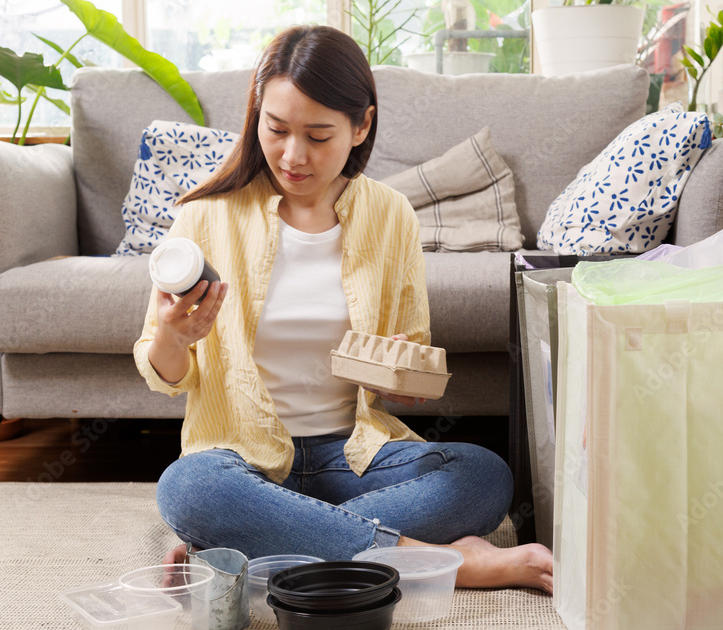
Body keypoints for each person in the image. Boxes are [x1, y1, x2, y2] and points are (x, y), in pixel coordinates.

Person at [132, 24, 552, 593]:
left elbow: (402, 367)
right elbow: (166, 377)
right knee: (190, 488)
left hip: (353, 460)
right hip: (243, 460)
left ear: (362, 126)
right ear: (257, 116)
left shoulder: (390, 214)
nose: (292, 154)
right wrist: (175, 338)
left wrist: (404, 378)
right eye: (276, 129)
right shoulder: (204, 217)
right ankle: (442, 561)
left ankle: (252, 543)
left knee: (483, 477)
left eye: (318, 135)